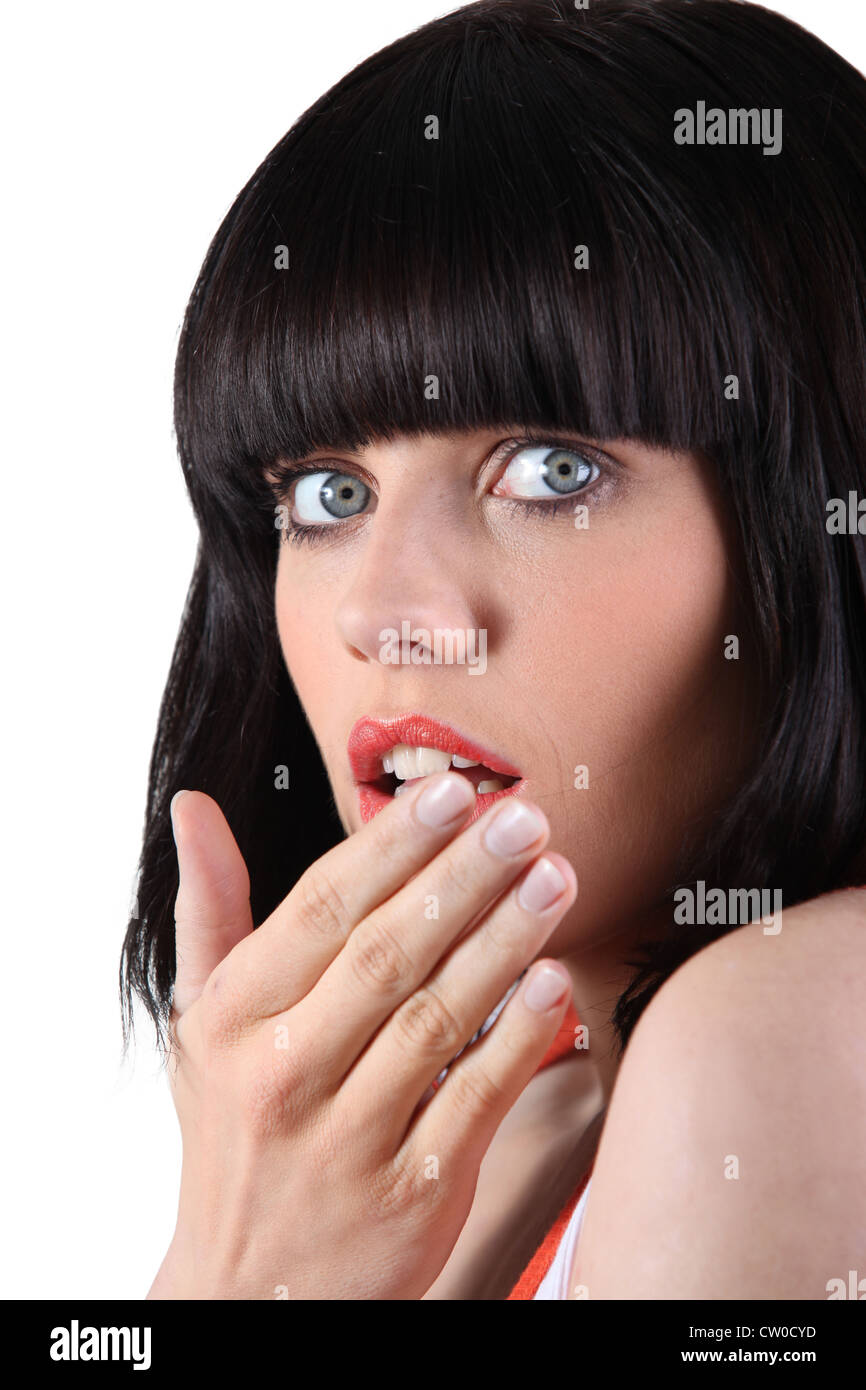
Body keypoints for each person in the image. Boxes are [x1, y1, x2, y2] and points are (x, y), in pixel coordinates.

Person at [122, 0, 866, 1299]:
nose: (383, 612)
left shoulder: (782, 1030)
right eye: (327, 496)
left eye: (549, 468)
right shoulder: (511, 1116)